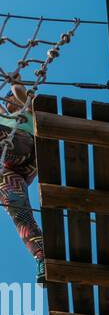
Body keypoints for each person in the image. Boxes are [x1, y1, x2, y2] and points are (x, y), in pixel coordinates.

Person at [0, 83, 45, 284]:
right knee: (17, 208)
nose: (8, 100)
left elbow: (19, 92)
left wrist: (14, 82)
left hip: (26, 145)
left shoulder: (28, 111)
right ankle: (42, 255)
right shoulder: (3, 117)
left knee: (6, 138)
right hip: (13, 169)